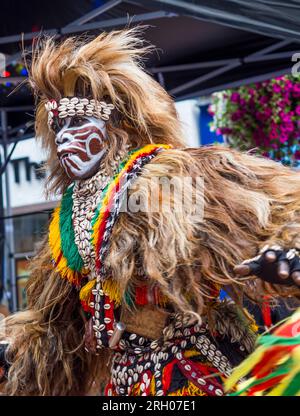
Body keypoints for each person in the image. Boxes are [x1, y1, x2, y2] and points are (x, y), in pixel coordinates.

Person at [0, 28, 299, 396]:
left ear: (119, 128)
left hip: (194, 365)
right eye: (58, 126)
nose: (63, 136)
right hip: (126, 376)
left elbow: (279, 209)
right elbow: (56, 328)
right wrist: (18, 351)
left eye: (77, 122)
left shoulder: (178, 174)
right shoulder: (68, 217)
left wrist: (289, 253)